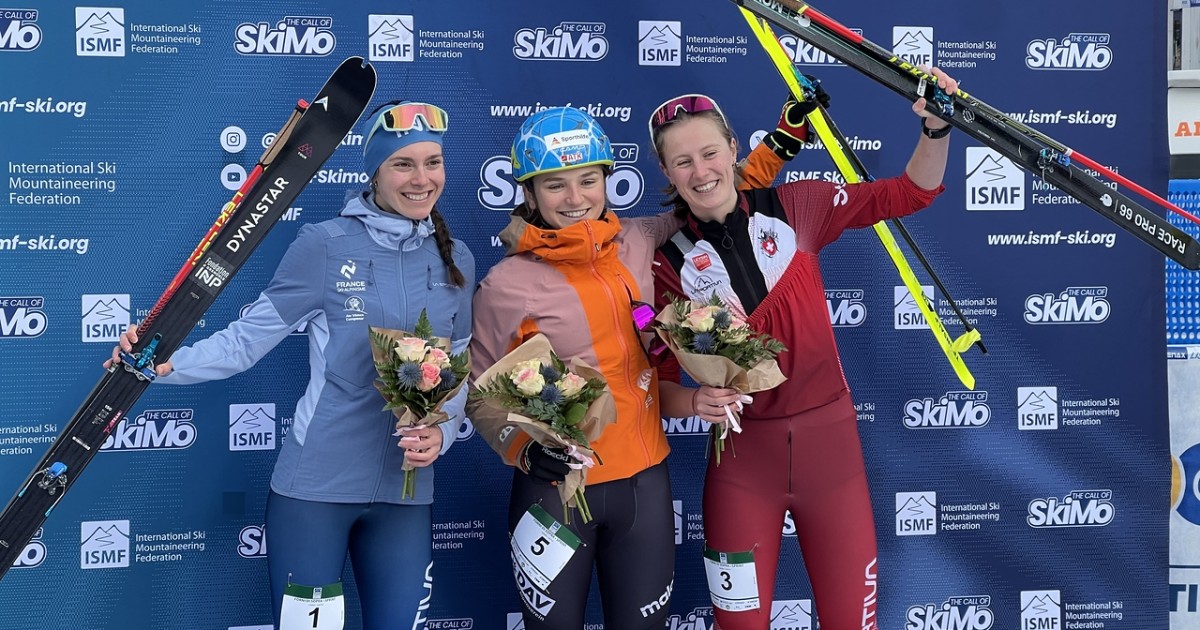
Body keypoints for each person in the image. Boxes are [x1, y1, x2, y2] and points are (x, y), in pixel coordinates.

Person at [107, 102, 474, 630]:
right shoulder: (324, 245)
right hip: (315, 492)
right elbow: (245, 342)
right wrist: (161, 363)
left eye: (433, 162)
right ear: (374, 170)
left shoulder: (455, 257)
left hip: (407, 493)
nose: (422, 179)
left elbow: (457, 359)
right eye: (403, 164)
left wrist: (440, 428)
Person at [466, 100, 819, 629]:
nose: (574, 198)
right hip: (557, 492)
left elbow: (716, 188)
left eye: (588, 180)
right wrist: (521, 449)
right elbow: (481, 393)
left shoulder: (639, 240)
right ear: (530, 193)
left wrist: (783, 143)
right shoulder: (504, 284)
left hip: (645, 486)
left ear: (607, 180)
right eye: (555, 184)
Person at [648, 69, 959, 630]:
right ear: (667, 172)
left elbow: (910, 192)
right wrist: (694, 404)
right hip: (741, 465)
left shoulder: (798, 205)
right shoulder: (664, 260)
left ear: (733, 149)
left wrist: (936, 130)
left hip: (831, 456)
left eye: (709, 152)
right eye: (683, 161)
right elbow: (658, 384)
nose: (701, 170)